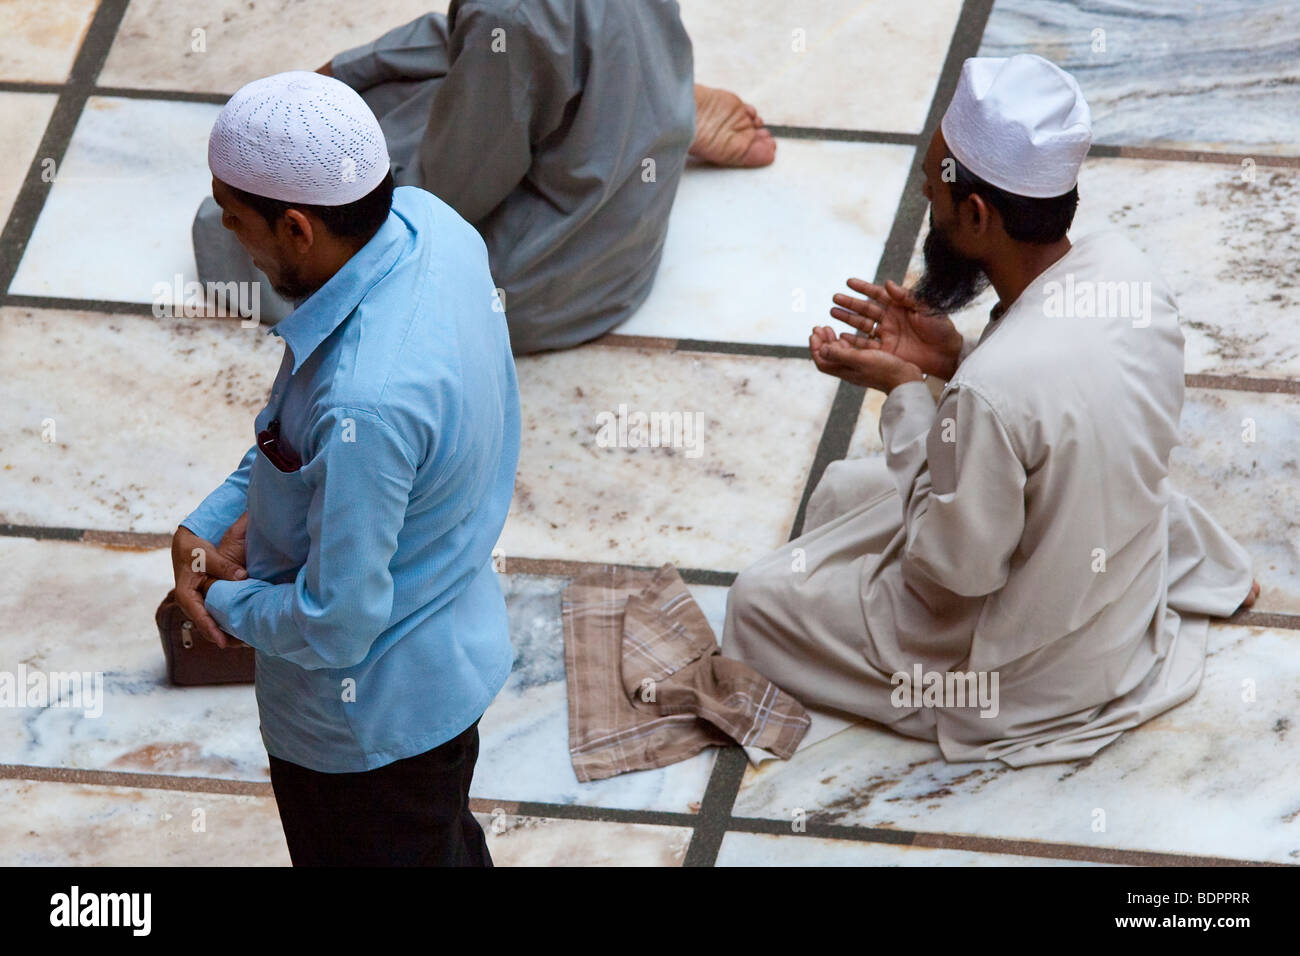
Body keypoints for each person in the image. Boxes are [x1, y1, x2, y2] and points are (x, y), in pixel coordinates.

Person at [721, 54, 1260, 768]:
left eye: (933, 190)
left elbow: (956, 572)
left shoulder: (994, 390)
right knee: (845, 493)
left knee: (758, 601)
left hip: (1033, 669)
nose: (924, 200)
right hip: (1115, 566)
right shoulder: (1127, 270)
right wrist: (952, 360)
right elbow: (1048, 394)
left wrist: (909, 391)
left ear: (977, 214)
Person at [170, 70, 520, 864]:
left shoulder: (367, 400)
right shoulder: (437, 229)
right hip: (445, 669)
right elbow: (303, 442)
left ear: (296, 228)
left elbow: (336, 623)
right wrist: (214, 518)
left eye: (236, 222)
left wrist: (225, 599)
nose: (232, 239)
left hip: (366, 735)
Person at [191, 0, 775, 353]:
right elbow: (483, 34)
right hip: (627, 197)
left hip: (563, 276)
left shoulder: (507, 12)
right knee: (395, 89)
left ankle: (622, 109)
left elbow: (443, 198)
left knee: (240, 228)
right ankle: (643, 106)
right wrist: (348, 72)